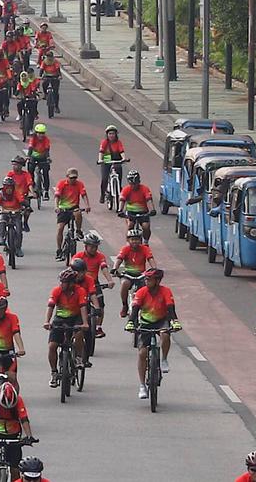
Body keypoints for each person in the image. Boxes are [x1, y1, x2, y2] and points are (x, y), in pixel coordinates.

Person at [124, 268, 181, 399]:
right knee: (142, 353)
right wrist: (130, 323)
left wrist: (175, 321)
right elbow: (135, 309)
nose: (146, 281)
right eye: (146, 279)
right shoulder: (142, 292)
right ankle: (142, 385)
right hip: (145, 322)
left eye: (149, 279)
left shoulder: (165, 291)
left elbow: (170, 308)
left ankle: (164, 359)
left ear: (158, 281)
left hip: (161, 320)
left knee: (165, 334)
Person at [53, 167, 90, 259]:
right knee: (60, 228)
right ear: (67, 177)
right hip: (63, 209)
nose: (73, 180)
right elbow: (57, 196)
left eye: (75, 178)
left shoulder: (79, 184)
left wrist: (87, 205)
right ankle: (59, 249)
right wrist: (56, 207)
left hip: (74, 207)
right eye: (71, 178)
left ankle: (78, 231)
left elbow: (84, 195)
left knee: (78, 213)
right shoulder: (61, 184)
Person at [118, 170, 156, 242]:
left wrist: (152, 210)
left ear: (138, 182)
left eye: (135, 184)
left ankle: (146, 241)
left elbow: (149, 200)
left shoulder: (145, 189)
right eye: (131, 184)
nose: (133, 186)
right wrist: (120, 210)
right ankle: (128, 243)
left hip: (143, 212)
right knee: (130, 225)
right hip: (130, 212)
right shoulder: (126, 189)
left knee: (146, 226)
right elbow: (122, 200)